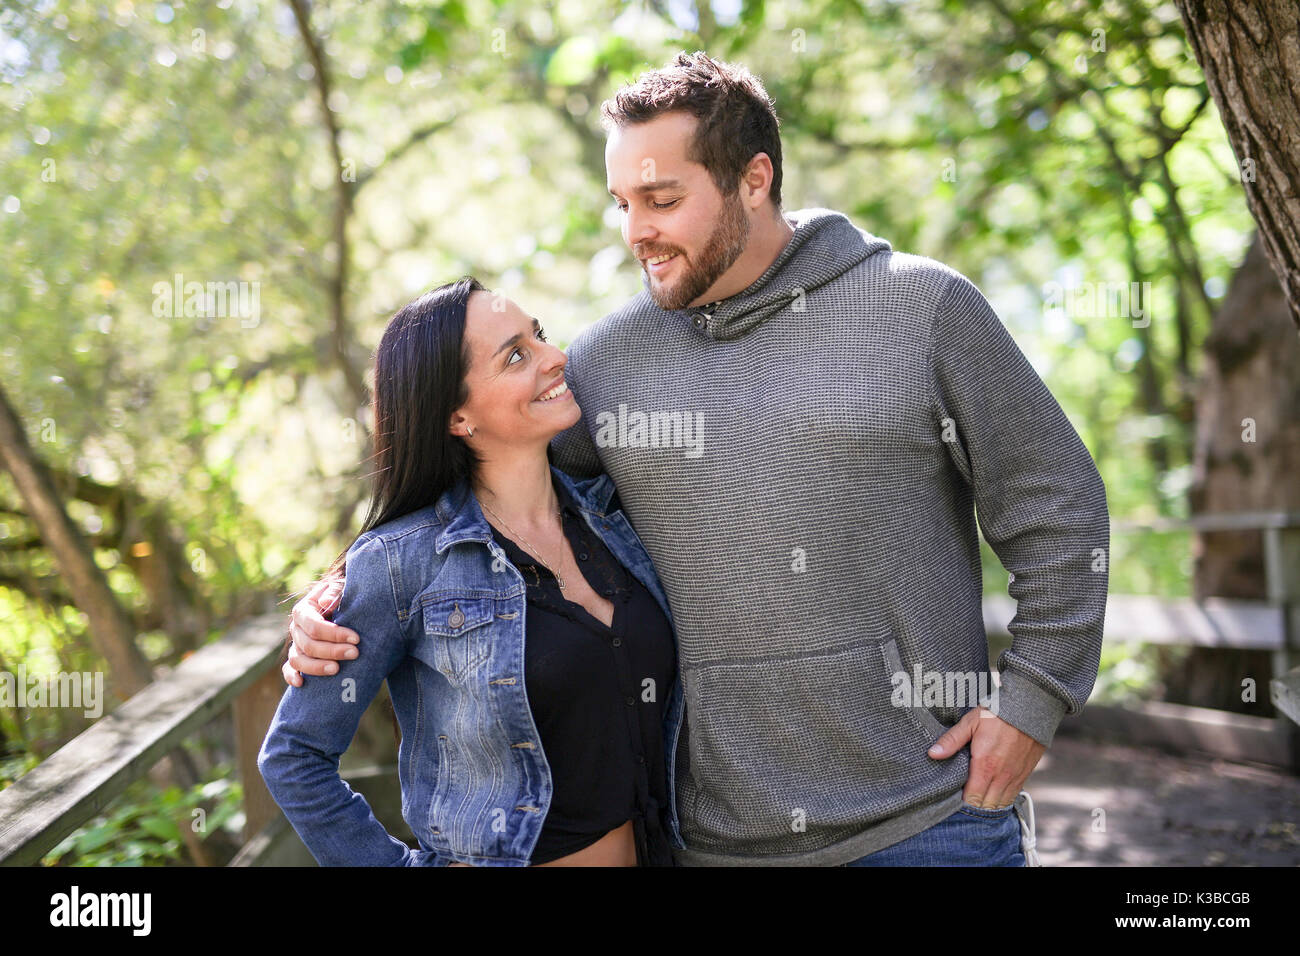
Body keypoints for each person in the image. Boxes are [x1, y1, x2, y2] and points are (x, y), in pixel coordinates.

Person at [286, 52, 1108, 866]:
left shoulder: (921, 309)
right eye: (621, 202)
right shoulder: (604, 366)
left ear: (753, 179)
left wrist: (1032, 700)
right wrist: (338, 598)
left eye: (662, 199)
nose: (635, 231)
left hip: (930, 822)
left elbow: (1058, 507)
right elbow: (486, 502)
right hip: (713, 845)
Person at [258, 277, 679, 866]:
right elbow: (294, 757)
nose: (556, 358)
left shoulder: (611, 515)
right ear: (457, 416)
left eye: (540, 336)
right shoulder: (401, 564)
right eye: (515, 355)